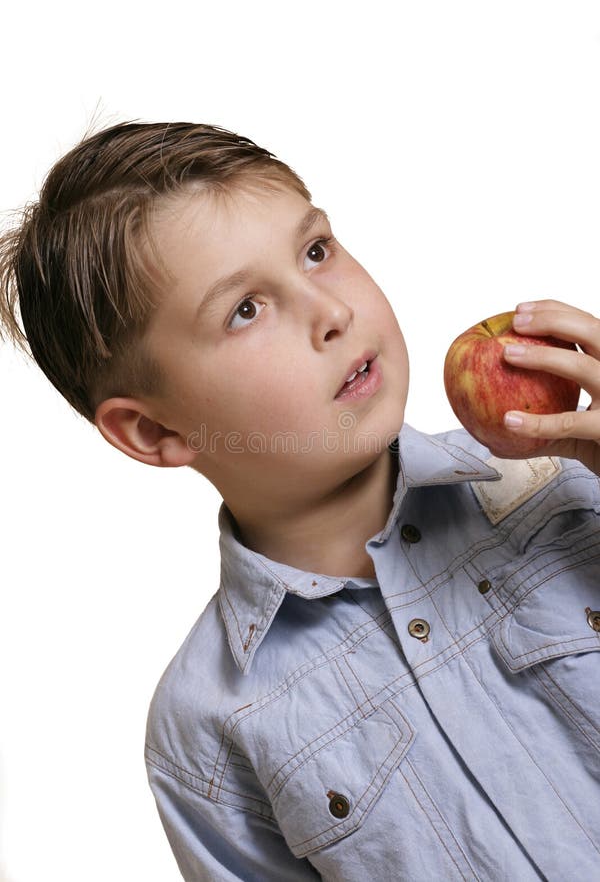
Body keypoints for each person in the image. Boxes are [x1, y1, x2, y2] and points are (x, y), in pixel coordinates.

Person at [1, 121, 599, 882]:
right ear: (154, 431)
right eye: (246, 309)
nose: (331, 311)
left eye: (316, 250)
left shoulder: (567, 485)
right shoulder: (209, 730)